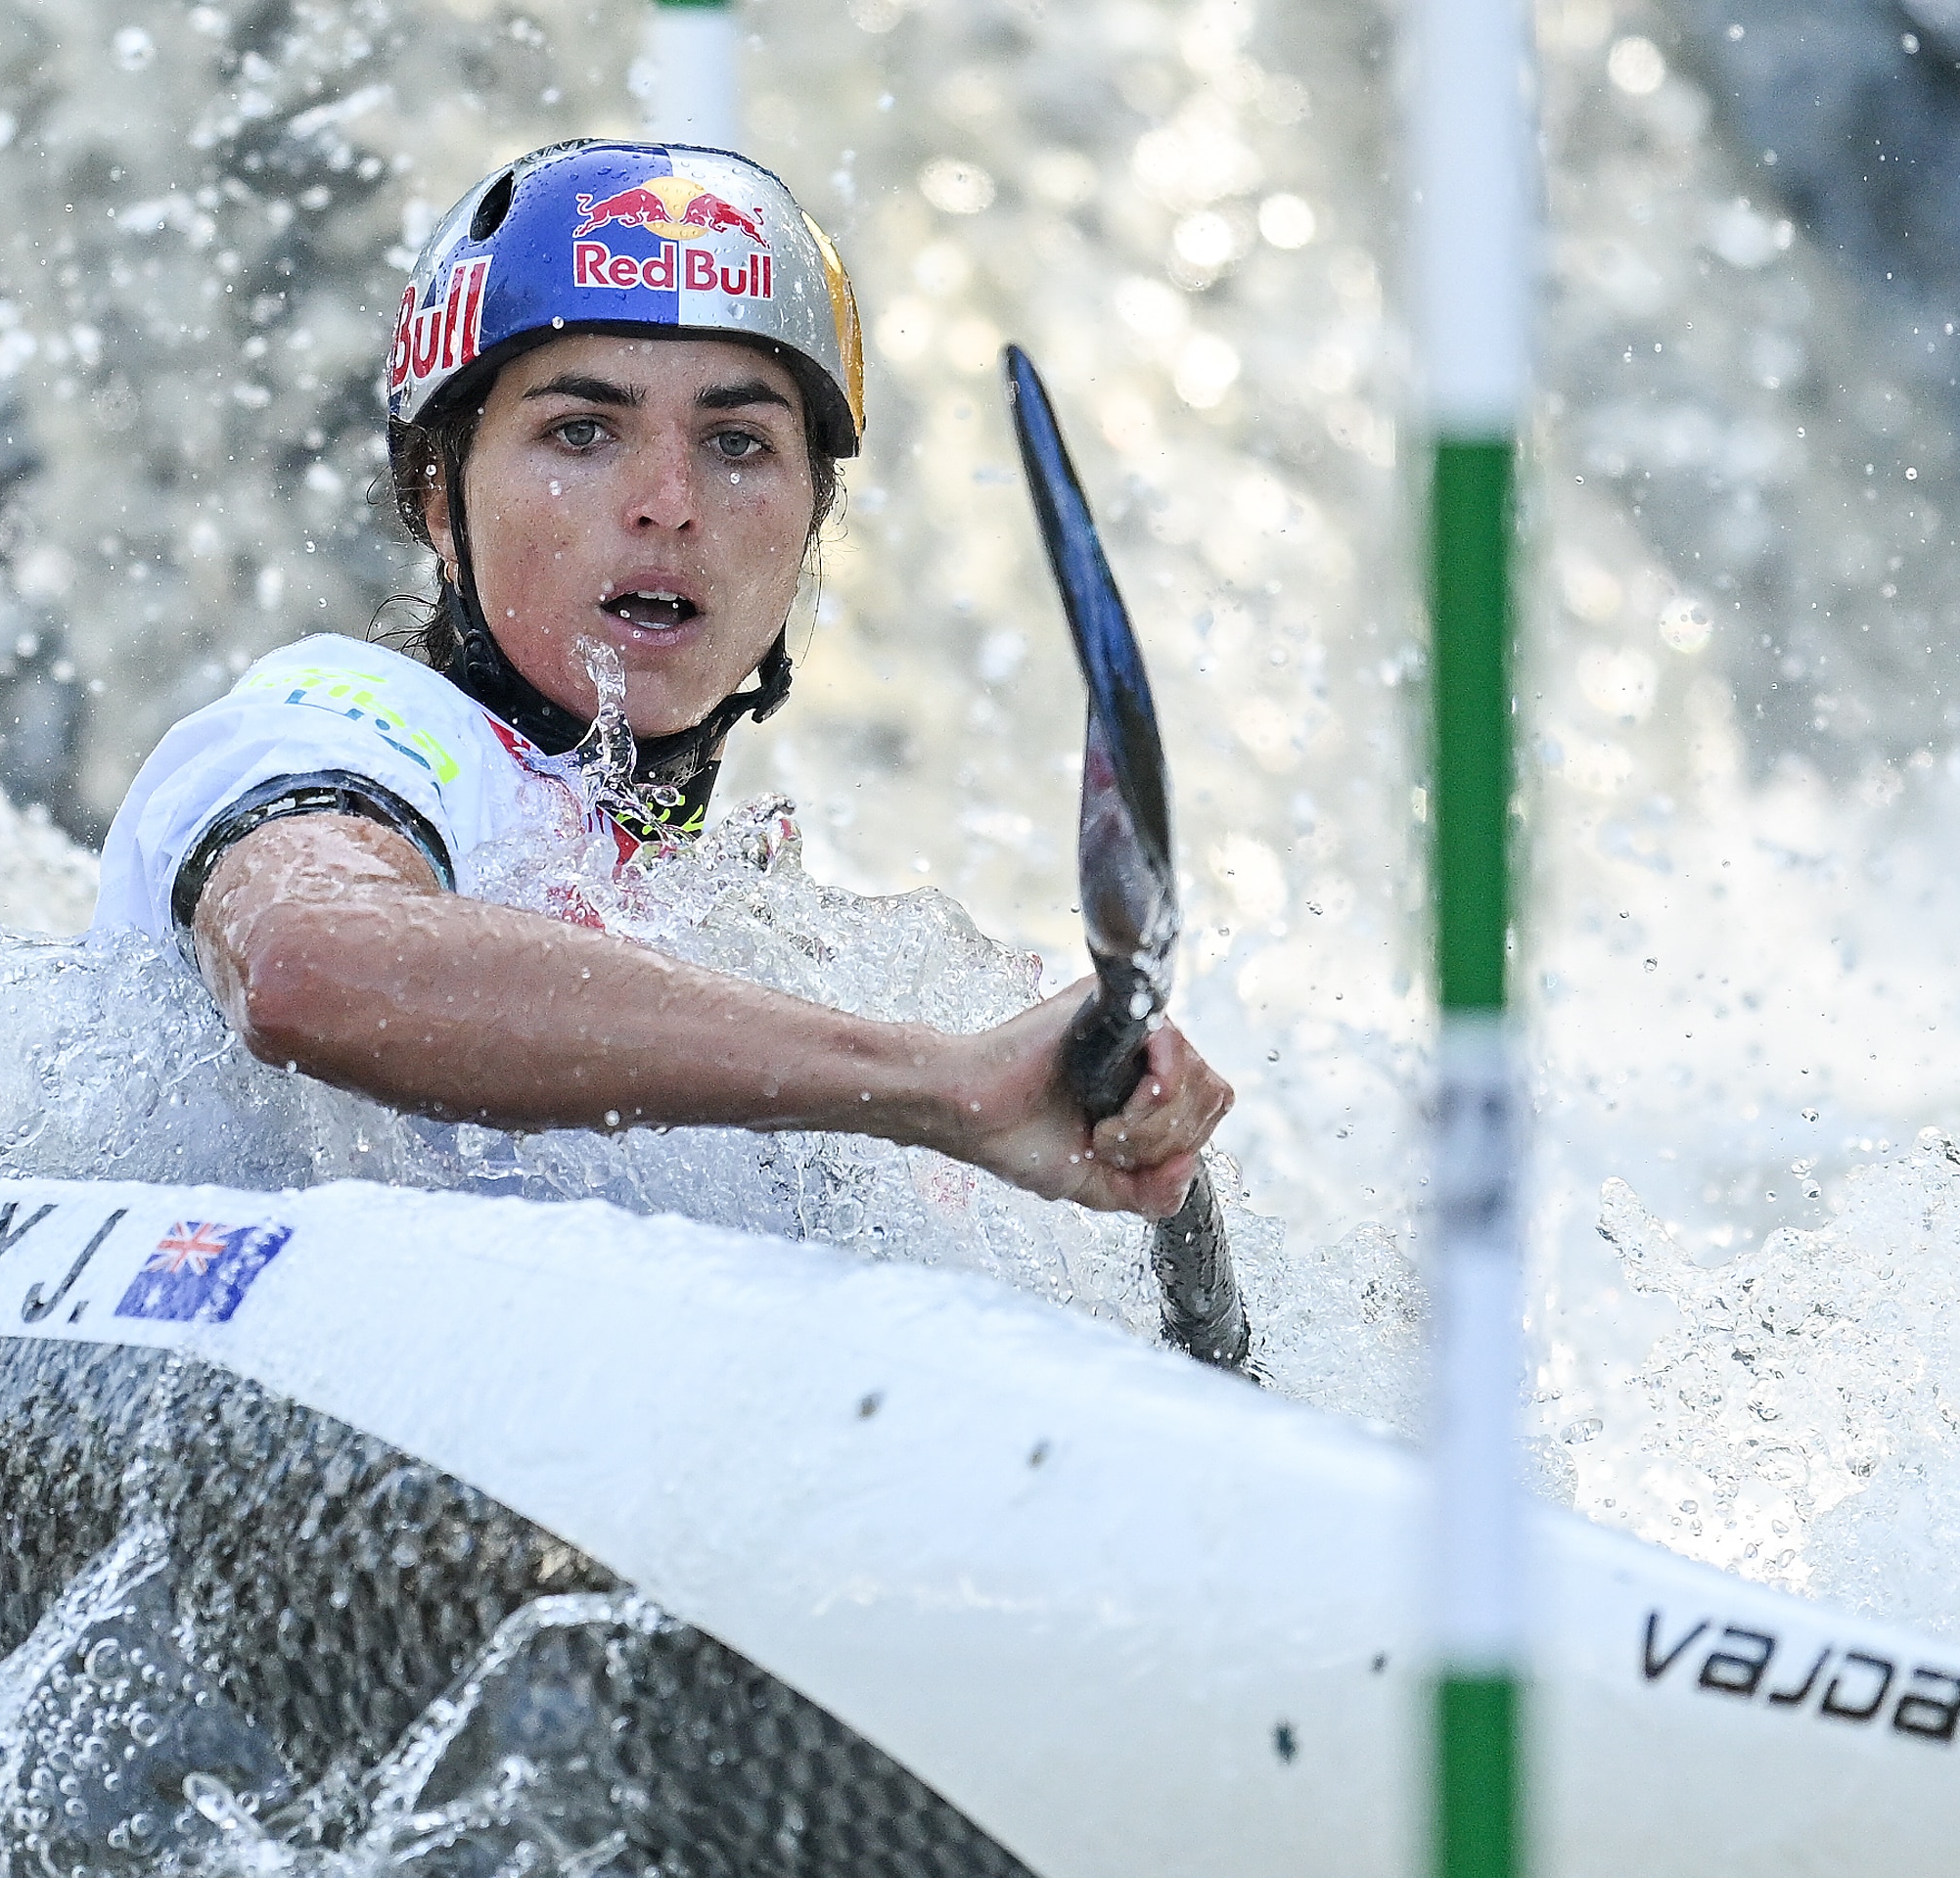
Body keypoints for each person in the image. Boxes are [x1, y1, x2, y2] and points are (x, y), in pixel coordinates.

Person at [87, 138, 1231, 1219]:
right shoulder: (323, 730)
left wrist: (1093, 1100)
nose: (669, 501)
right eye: (583, 431)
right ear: (441, 500)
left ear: (809, 524)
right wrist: (935, 1085)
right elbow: (308, 963)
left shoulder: (735, 926)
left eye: (738, 444)